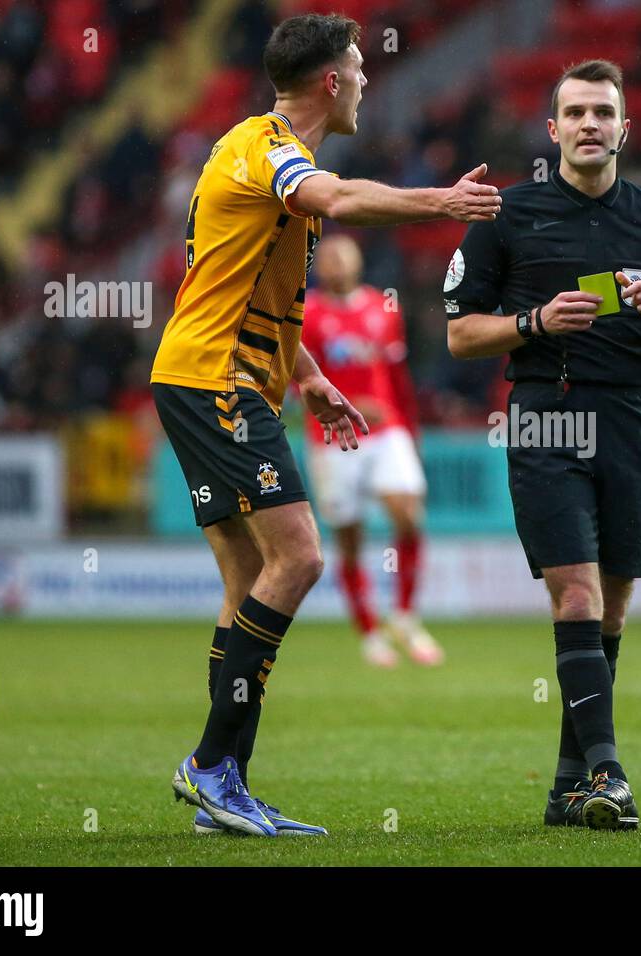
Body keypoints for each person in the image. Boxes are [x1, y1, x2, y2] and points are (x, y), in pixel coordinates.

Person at [150, 12, 500, 836]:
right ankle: (208, 767)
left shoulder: (268, 163)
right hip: (216, 381)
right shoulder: (265, 149)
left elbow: (250, 287)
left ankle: (221, 785)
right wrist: (441, 202)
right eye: (360, 66)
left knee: (247, 581)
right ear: (331, 81)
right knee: (300, 556)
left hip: (213, 376)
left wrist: (308, 377)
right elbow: (338, 197)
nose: (370, 80)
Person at [444, 59, 641, 830]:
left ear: (625, 128)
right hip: (545, 416)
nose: (591, 124)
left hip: (630, 417)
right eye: (577, 113)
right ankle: (609, 773)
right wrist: (532, 324)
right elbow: (460, 333)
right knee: (576, 592)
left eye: (604, 112)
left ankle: (569, 785)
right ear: (553, 129)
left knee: (614, 608)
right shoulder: (508, 215)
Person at [301, 234, 443, 668]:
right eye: (328, 257)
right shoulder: (305, 314)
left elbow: (397, 374)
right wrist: (341, 400)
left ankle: (404, 616)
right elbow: (296, 379)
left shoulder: (384, 307)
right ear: (317, 266)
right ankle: (369, 632)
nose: (337, 263)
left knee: (409, 517)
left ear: (360, 261)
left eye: (345, 255)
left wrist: (410, 427)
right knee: (350, 537)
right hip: (334, 436)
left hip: (387, 431)